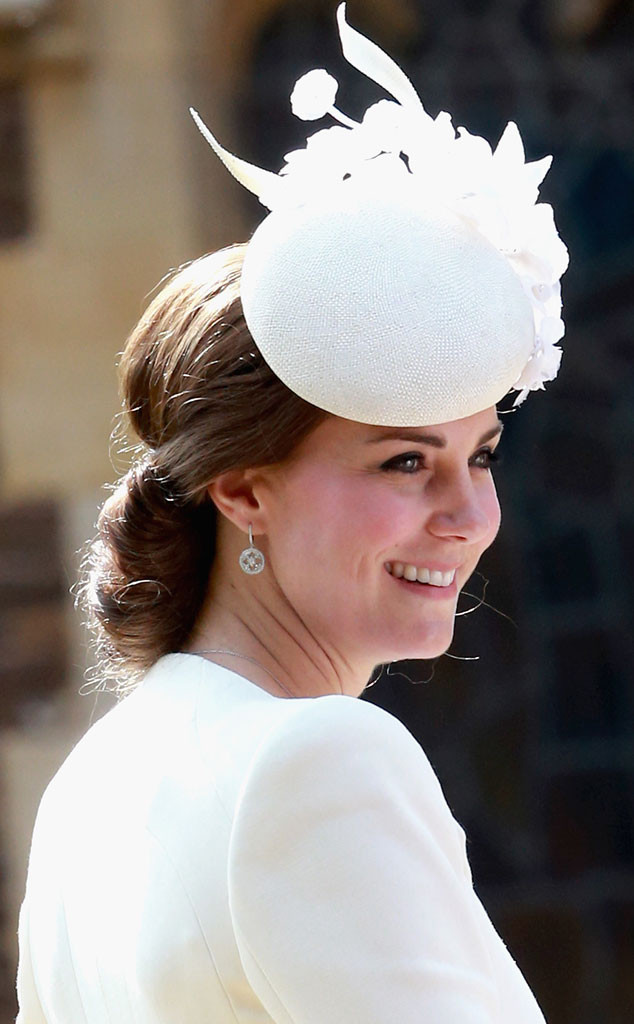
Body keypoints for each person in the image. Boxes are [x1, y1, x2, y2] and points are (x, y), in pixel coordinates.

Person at [15, 5, 568, 1022]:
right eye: (405, 460)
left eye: (478, 454)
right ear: (242, 488)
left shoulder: (83, 801)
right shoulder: (316, 762)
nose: (466, 514)